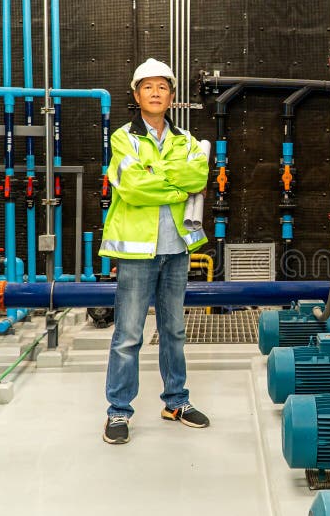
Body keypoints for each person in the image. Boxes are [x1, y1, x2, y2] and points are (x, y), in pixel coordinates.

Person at [99, 58, 210, 444]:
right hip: (136, 253)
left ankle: (176, 401)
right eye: (148, 87)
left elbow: (198, 175)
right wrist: (176, 186)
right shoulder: (122, 138)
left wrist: (157, 175)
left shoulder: (187, 141)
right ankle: (118, 411)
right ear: (136, 95)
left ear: (172, 95)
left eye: (163, 86)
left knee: (174, 331)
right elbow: (131, 187)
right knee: (128, 334)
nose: (156, 92)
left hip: (176, 248)